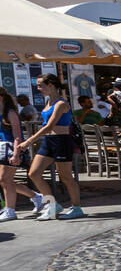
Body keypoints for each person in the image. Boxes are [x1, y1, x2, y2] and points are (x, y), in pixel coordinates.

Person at [18, 74, 85, 220]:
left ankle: (77, 208)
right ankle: (53, 205)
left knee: (66, 177)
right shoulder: (48, 101)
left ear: (51, 85)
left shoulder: (61, 103)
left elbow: (49, 126)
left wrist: (29, 141)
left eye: (40, 85)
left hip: (61, 141)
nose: (38, 88)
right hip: (49, 141)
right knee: (33, 174)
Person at [0, 88, 39, 220]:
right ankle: (36, 196)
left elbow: (17, 136)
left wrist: (16, 154)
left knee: (5, 180)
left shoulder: (10, 113)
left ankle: (10, 210)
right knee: (5, 181)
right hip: (2, 148)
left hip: (11, 148)